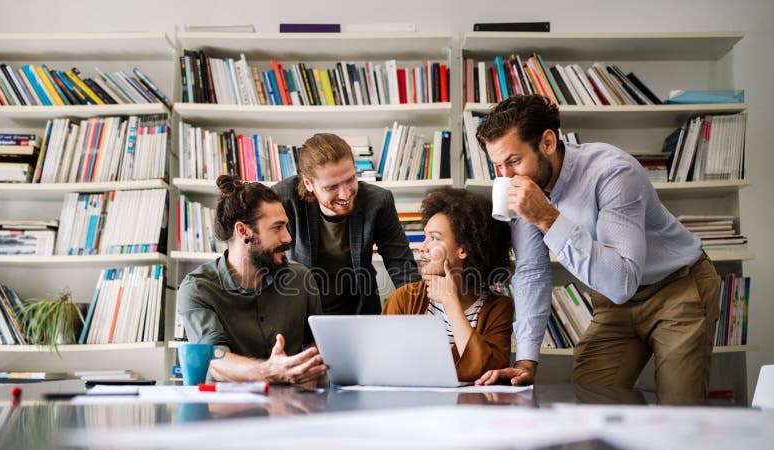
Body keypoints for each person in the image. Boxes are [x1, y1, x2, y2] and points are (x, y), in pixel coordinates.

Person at [474, 94, 721, 403]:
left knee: (680, 406)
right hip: (616, 302)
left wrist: (546, 217)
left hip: (678, 286)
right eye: (498, 166)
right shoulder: (523, 189)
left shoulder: (612, 172)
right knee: (592, 393)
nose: (506, 178)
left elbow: (622, 281)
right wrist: (525, 361)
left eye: (513, 161)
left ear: (548, 142)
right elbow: (532, 273)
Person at [177, 175, 327, 385]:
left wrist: (302, 369)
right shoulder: (197, 288)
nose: (288, 238)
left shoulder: (301, 278)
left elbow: (318, 342)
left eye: (286, 227)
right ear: (243, 231)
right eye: (277, 228)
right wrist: (270, 371)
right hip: (226, 412)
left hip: (291, 408)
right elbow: (216, 360)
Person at [272, 133, 421, 315]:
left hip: (359, 311)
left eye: (350, 179)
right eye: (332, 187)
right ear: (309, 183)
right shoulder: (283, 200)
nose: (345, 194)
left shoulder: (377, 202)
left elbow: (402, 266)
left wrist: (419, 315)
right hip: (300, 312)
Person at [382, 188, 514, 382]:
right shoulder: (405, 299)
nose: (422, 247)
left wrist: (451, 302)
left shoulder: (499, 308)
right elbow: (381, 363)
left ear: (464, 249)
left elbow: (487, 372)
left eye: (434, 238)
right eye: (425, 236)